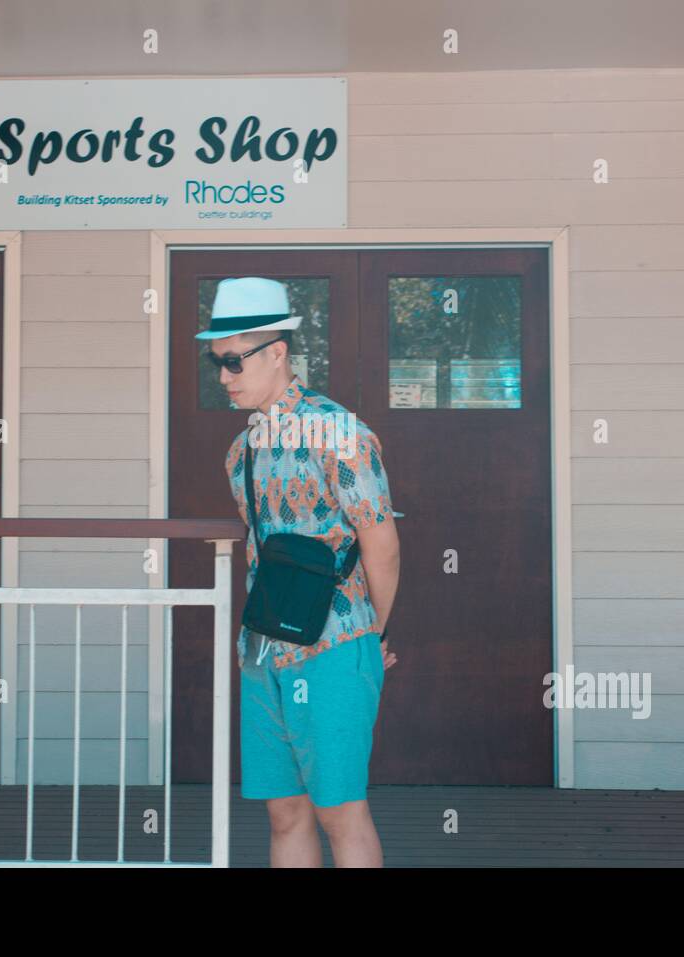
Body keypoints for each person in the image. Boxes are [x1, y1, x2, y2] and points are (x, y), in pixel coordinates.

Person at [196, 276, 401, 867]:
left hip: (333, 643)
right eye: (218, 362)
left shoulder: (343, 434)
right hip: (263, 646)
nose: (224, 376)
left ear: (277, 353)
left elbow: (381, 544)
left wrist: (372, 633)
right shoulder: (242, 452)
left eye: (234, 361)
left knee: (341, 810)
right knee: (284, 811)